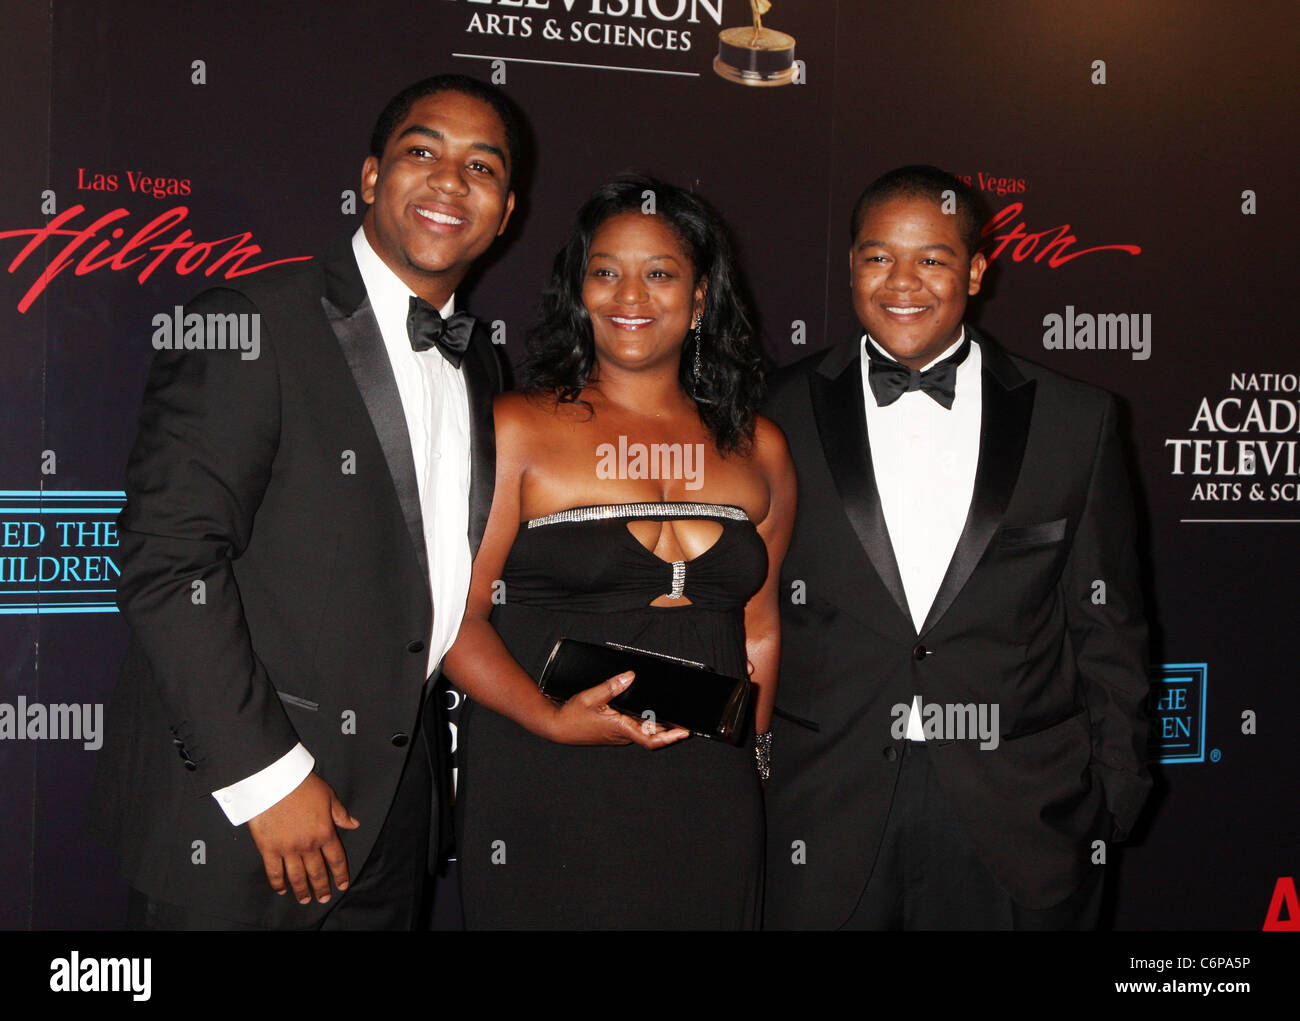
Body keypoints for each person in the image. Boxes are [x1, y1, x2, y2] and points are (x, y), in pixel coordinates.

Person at [89, 75, 661, 931]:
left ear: (505, 213)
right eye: (421, 152)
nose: (448, 181)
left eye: (481, 167)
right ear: (367, 177)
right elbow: (168, 567)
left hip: (396, 827)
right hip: (242, 820)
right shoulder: (252, 323)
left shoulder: (479, 368)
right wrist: (267, 778)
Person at [762, 165, 1151, 930]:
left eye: (932, 258)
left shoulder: (1077, 420)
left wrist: (1116, 793)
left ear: (975, 270)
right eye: (878, 257)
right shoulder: (774, 410)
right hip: (823, 809)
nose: (902, 281)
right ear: (850, 267)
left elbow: (1109, 627)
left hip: (1021, 815)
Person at [443, 173, 796, 929]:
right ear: (579, 290)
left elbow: (760, 627)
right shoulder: (517, 428)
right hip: (546, 773)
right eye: (605, 271)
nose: (629, 294)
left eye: (660, 273)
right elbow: (456, 618)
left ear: (700, 297)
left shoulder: (759, 448)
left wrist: (754, 764)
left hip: (708, 787)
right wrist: (549, 718)